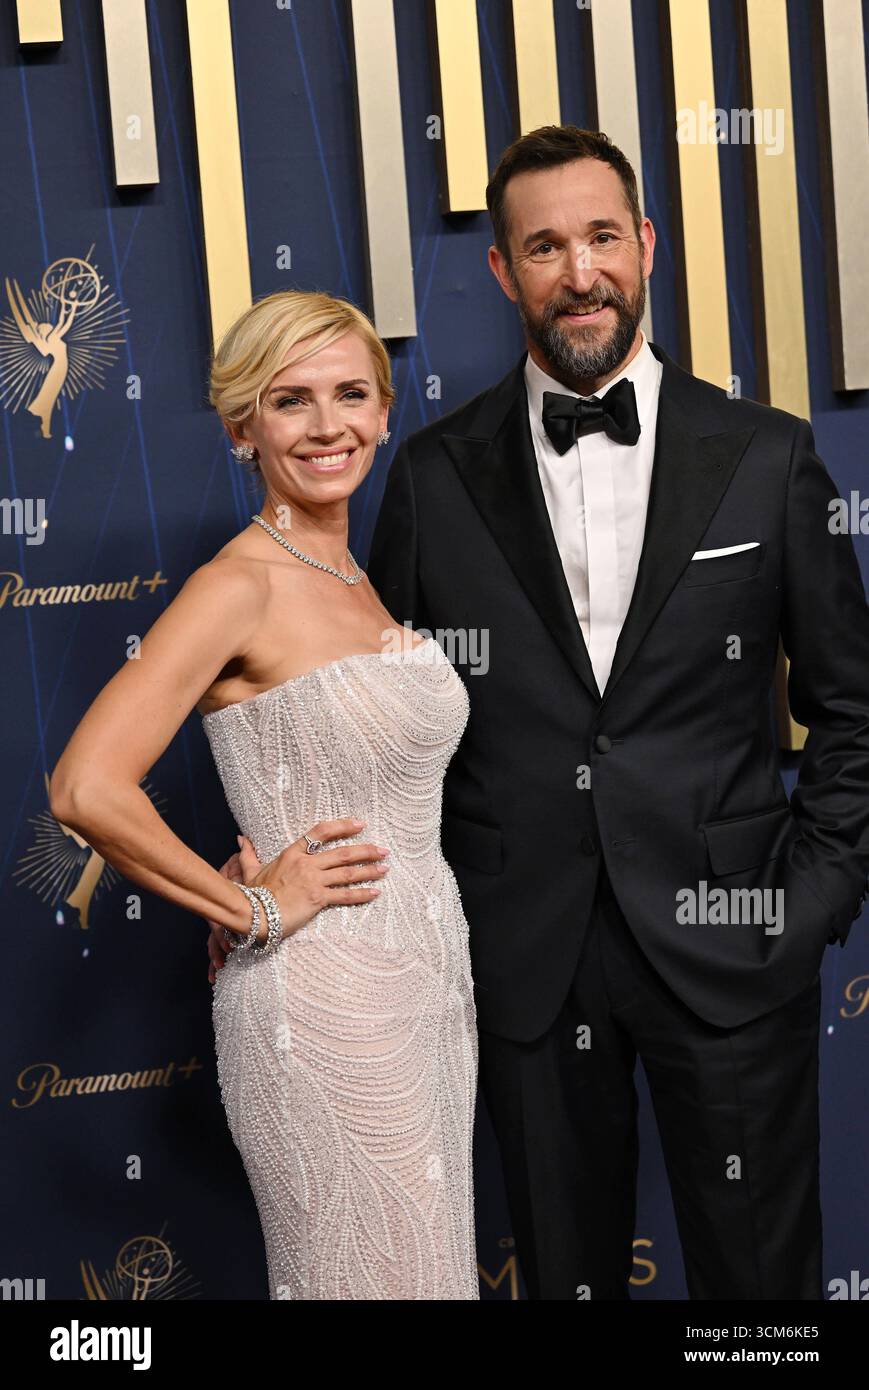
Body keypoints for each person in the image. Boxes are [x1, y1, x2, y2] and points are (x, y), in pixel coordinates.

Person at [362, 126, 869, 1299]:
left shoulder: (765, 456)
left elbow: (850, 705)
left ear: (645, 245)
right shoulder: (433, 478)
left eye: (599, 236)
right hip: (525, 952)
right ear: (501, 271)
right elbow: (385, 725)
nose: (577, 271)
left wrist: (812, 900)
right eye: (542, 245)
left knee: (760, 1293)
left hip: (735, 935)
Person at [48, 290, 479, 1301]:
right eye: (291, 400)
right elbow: (85, 783)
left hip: (424, 984)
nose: (327, 425)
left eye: (350, 394)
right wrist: (246, 904)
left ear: (382, 413)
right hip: (328, 998)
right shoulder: (238, 584)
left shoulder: (352, 577)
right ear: (243, 426)